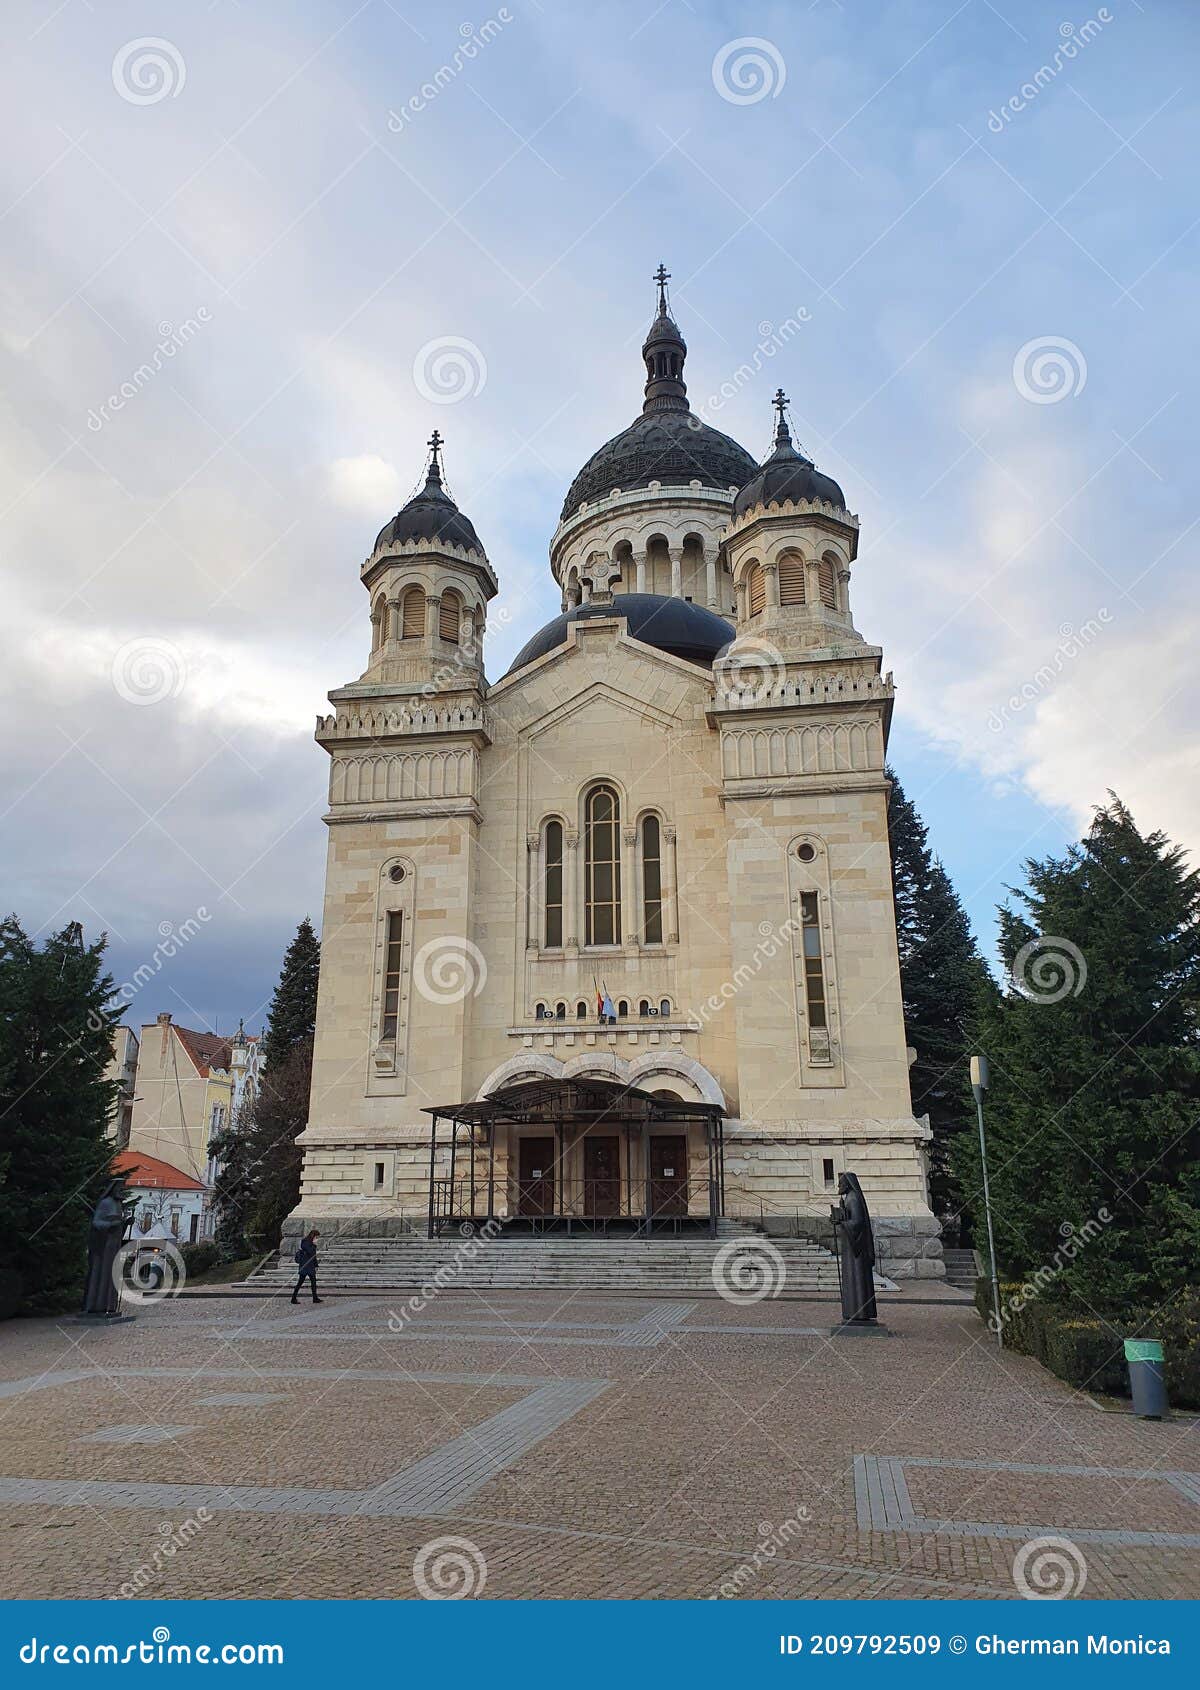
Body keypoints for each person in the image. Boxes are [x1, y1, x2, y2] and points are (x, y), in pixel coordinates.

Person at [290, 1228, 322, 1304]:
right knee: (300, 1282)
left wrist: (316, 1265)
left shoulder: (310, 1243)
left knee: (313, 1282)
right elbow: (310, 1252)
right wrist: (314, 1245)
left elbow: (313, 1256)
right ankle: (293, 1298)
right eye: (316, 1237)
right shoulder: (305, 1242)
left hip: (310, 1266)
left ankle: (315, 1298)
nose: (317, 1239)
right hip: (305, 1265)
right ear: (313, 1236)